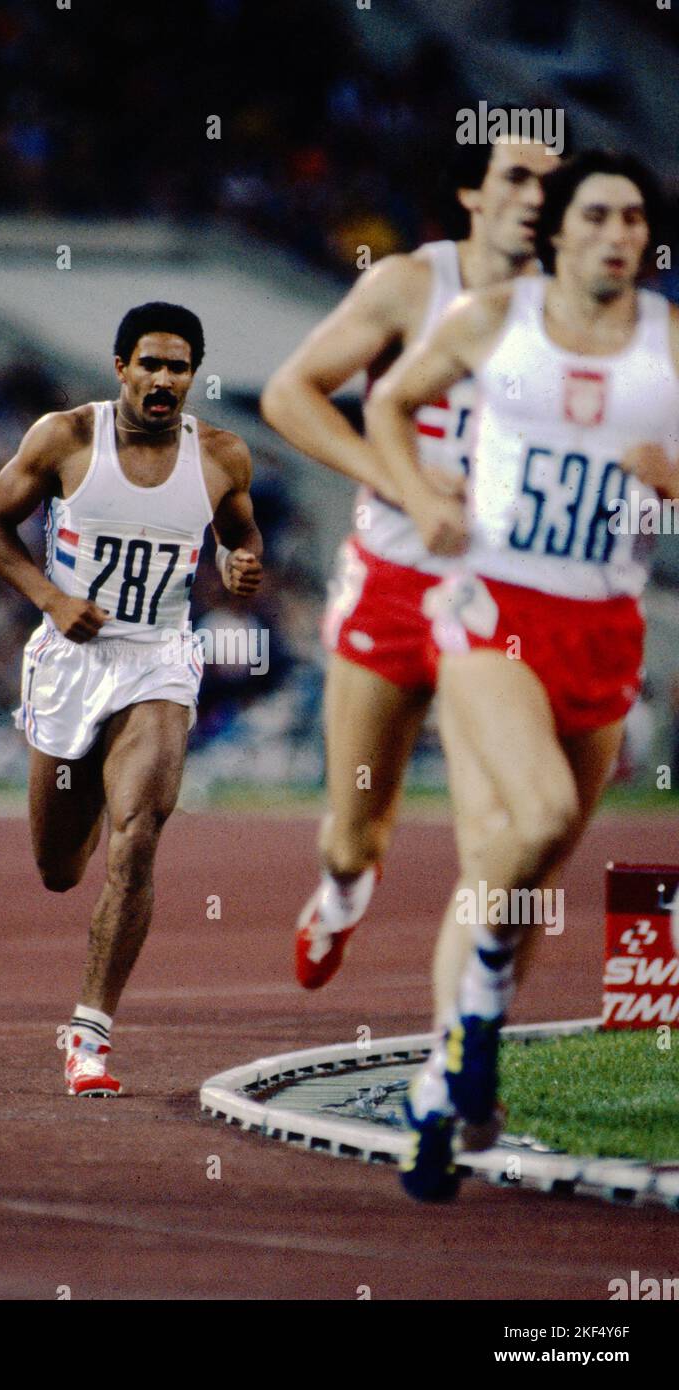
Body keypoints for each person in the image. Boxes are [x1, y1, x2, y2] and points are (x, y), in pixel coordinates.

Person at [368, 150, 679, 1199]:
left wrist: (671, 482)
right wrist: (417, 492)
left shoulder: (668, 344)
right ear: (559, 230)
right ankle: (480, 1027)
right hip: (492, 611)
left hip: (603, 630)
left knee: (518, 869)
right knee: (535, 813)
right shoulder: (491, 318)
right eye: (597, 213)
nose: (618, 233)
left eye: (634, 217)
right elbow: (386, 405)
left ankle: (439, 1078)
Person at [261, 133, 559, 997]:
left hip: (502, 592)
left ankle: (466, 1050)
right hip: (393, 581)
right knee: (356, 833)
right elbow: (289, 391)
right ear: (474, 193)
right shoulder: (410, 285)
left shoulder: (566, 309)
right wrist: (396, 480)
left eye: (551, 183)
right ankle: (343, 894)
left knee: (497, 828)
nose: (536, 196)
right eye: (516, 177)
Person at [0, 302, 263, 1096]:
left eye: (180, 367)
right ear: (121, 368)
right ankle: (96, 778)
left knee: (139, 835)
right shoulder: (65, 437)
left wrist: (242, 566)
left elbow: (243, 536)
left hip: (160, 661)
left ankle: (91, 1034)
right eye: (152, 364)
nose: (165, 380)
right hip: (70, 663)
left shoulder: (223, 456)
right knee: (59, 869)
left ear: (193, 376)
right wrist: (50, 598)